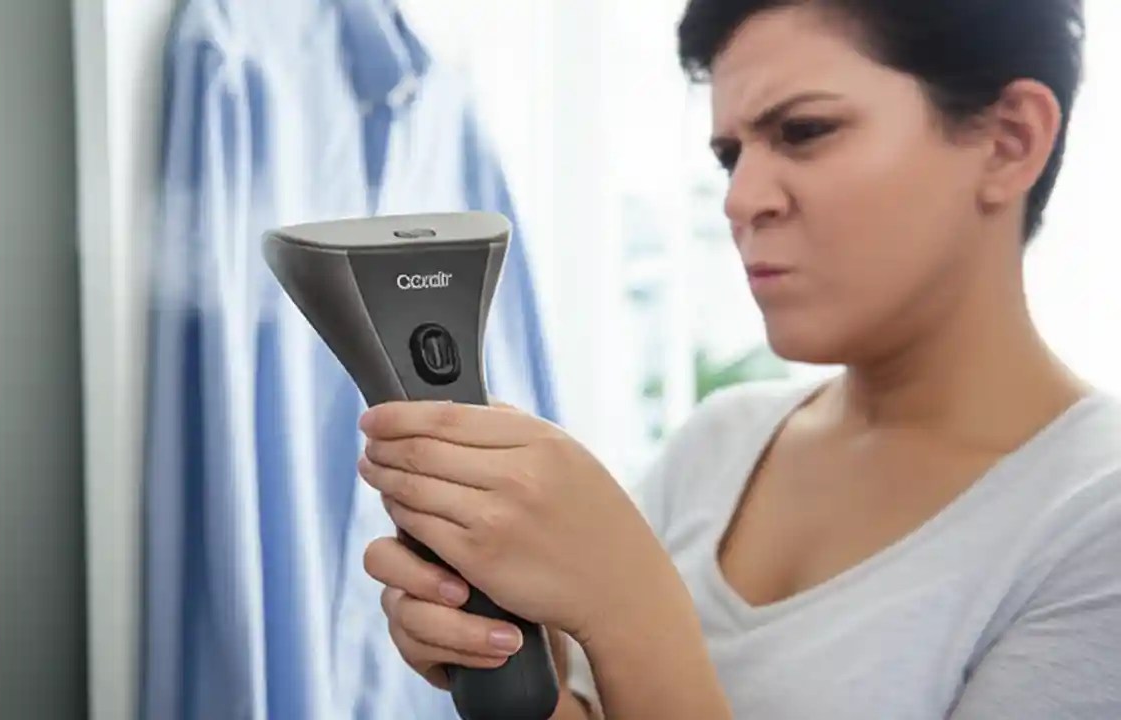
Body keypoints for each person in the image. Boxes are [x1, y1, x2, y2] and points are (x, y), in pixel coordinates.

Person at [354, 0, 1121, 717]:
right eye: (730, 155)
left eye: (805, 131)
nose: (741, 198)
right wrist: (528, 668)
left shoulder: (1096, 523)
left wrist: (629, 608)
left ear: (1009, 139)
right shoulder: (718, 447)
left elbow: (638, 625)